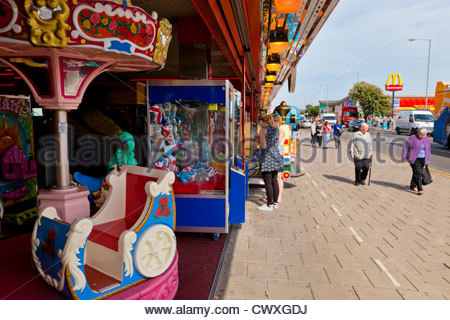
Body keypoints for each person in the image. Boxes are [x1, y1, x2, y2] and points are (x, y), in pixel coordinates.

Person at [258, 114, 283, 211]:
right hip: (276, 155)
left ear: (263, 121)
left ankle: (269, 205)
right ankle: (275, 203)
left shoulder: (263, 129)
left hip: (268, 156)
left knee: (267, 182)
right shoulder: (276, 128)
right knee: (274, 180)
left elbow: (263, 146)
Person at [401, 128, 431, 195]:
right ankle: (420, 189)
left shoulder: (426, 139)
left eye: (424, 135)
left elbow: (428, 150)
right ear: (418, 133)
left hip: (423, 159)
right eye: (421, 135)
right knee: (418, 173)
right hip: (414, 158)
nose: (422, 136)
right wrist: (404, 157)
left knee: (416, 172)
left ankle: (412, 186)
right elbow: (406, 147)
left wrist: (428, 159)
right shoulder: (413, 138)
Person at [272, 114, 285, 204]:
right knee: (272, 178)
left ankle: (279, 197)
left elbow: (277, 141)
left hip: (279, 156)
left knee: (278, 177)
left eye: (277, 121)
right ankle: (272, 195)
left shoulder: (281, 131)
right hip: (271, 156)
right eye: (274, 121)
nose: (276, 123)